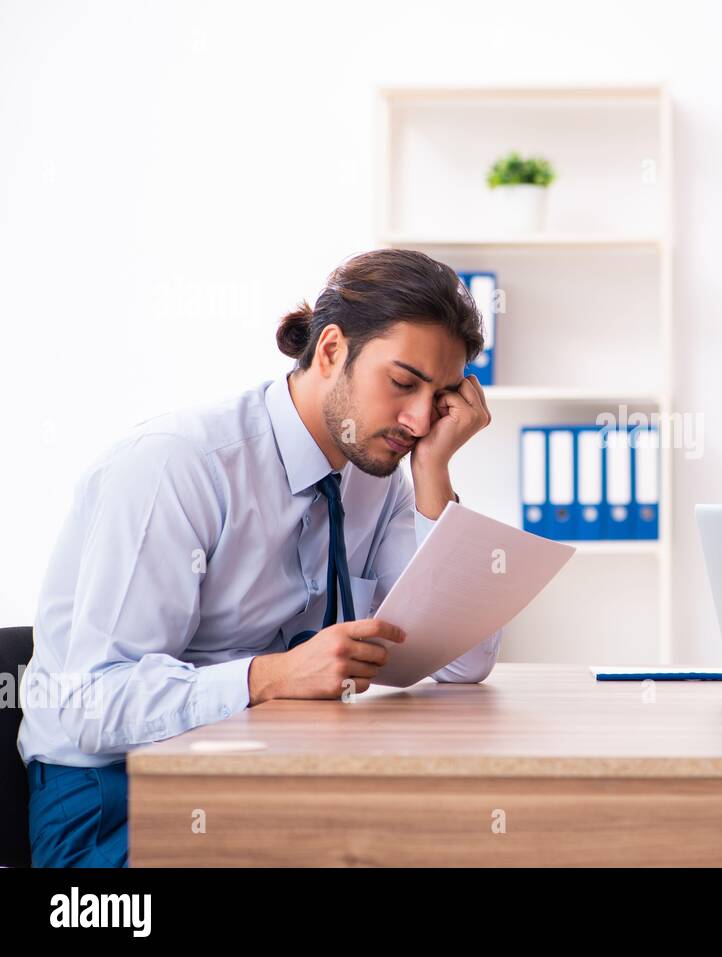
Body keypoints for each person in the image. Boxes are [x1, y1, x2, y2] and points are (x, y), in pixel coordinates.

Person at [19, 248, 498, 867]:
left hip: (258, 775)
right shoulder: (178, 466)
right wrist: (270, 676)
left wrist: (434, 469)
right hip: (111, 795)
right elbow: (90, 701)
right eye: (403, 383)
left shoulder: (375, 473)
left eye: (439, 398)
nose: (417, 418)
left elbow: (465, 662)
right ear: (330, 350)